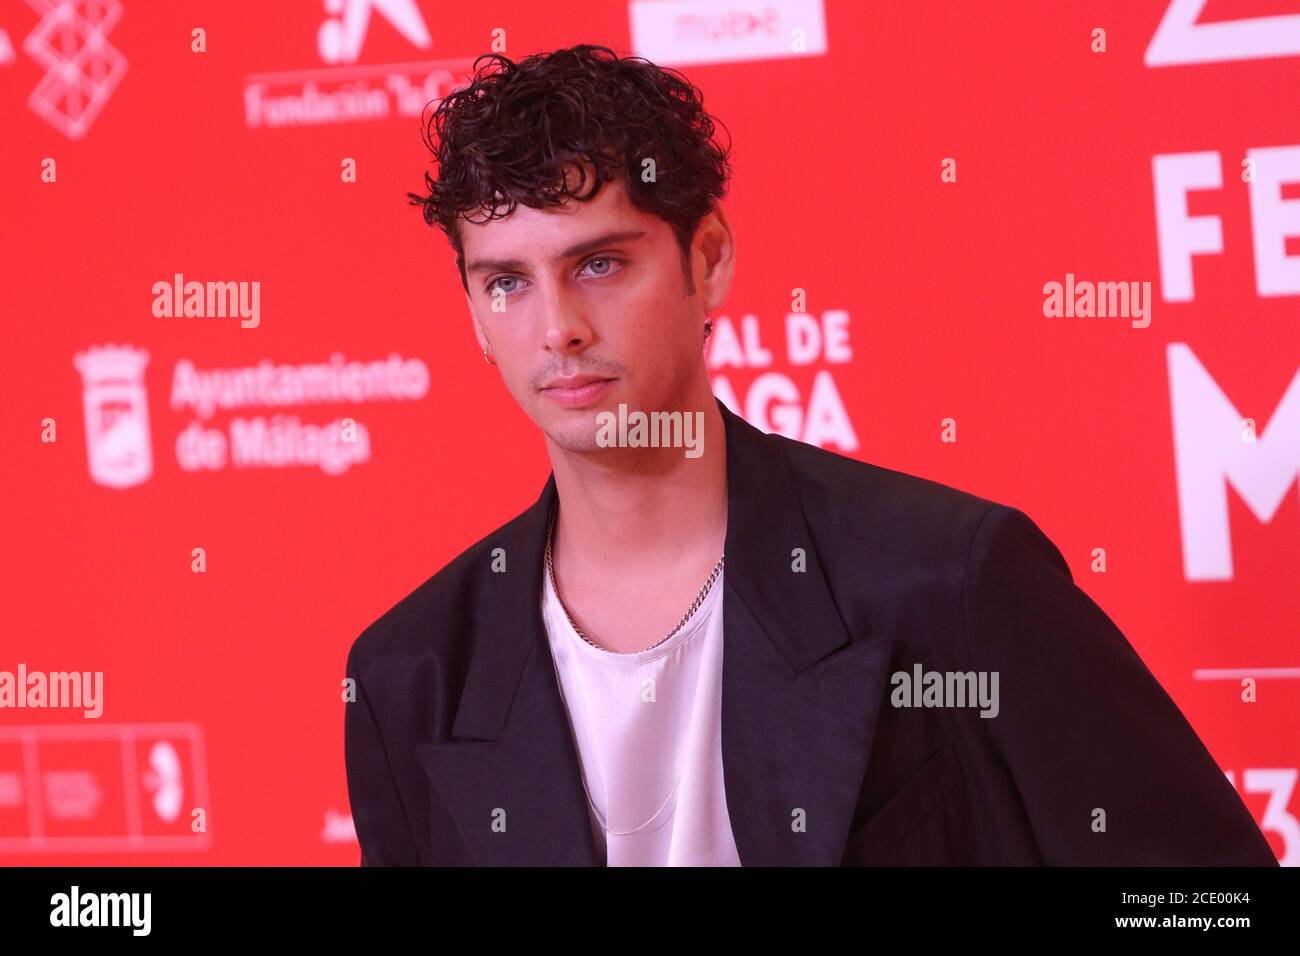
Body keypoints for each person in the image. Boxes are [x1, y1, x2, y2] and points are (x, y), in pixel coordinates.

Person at [343, 44, 1277, 866]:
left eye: (599, 264)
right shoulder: (411, 677)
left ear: (706, 261)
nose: (558, 330)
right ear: (474, 313)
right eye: (507, 283)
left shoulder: (947, 582)